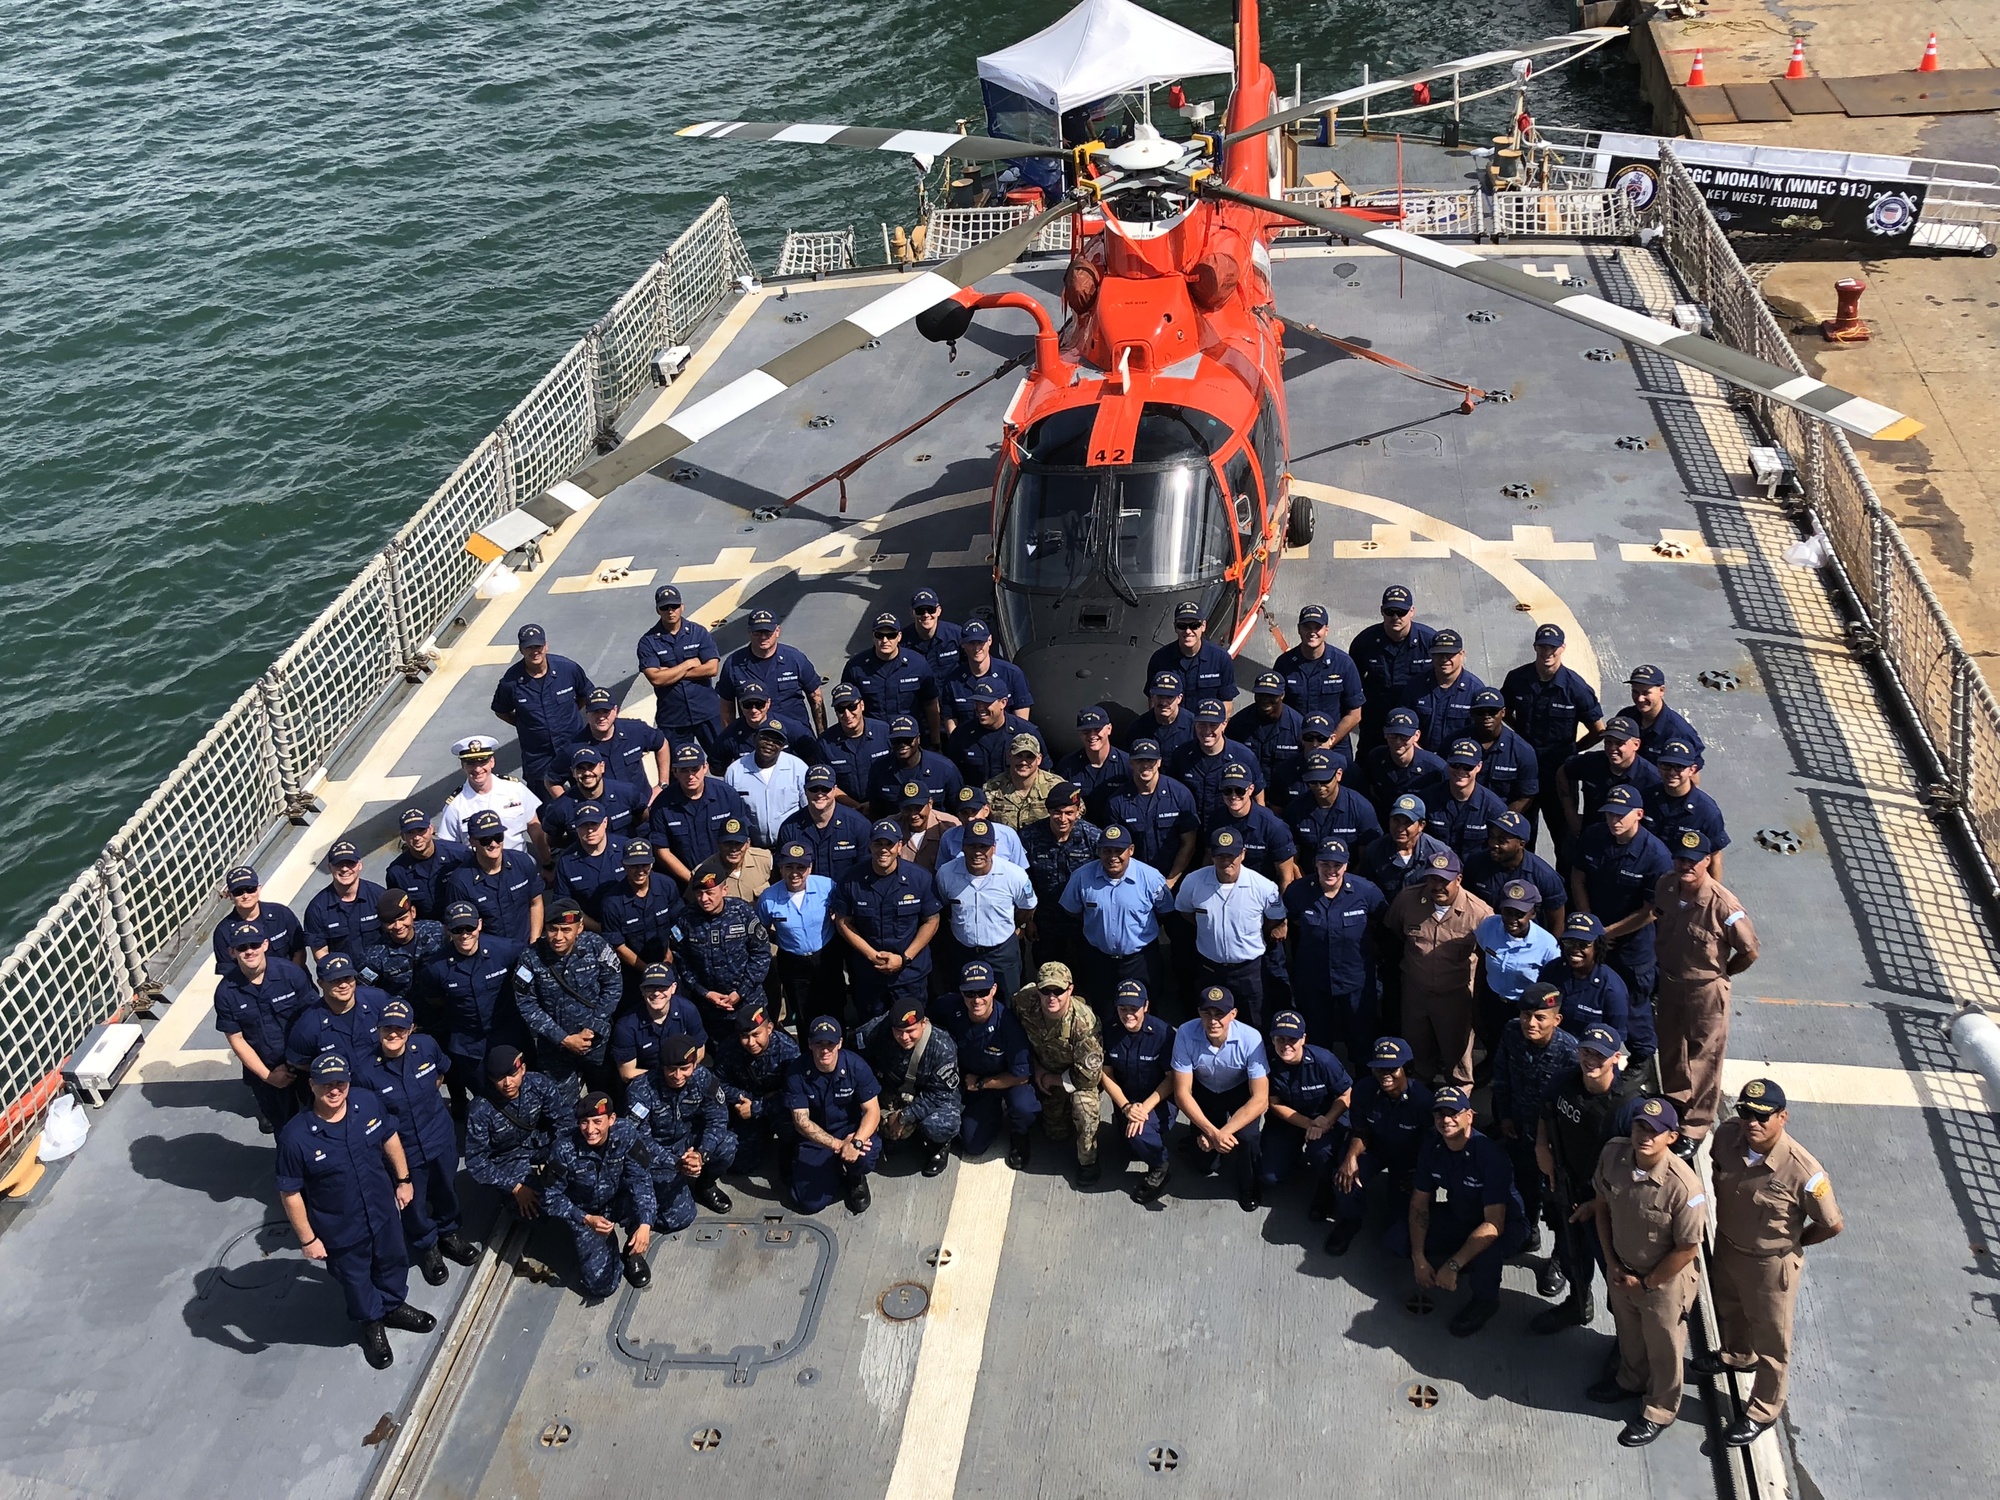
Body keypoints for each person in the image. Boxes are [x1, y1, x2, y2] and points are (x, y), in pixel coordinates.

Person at [1696, 1079, 1845, 1445]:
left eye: (1763, 1116)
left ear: (1783, 1117)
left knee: (1772, 1342)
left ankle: (1763, 1408)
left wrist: (1793, 1245)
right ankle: (1736, 1354)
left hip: (1770, 1265)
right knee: (1728, 1308)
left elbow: (1832, 1224)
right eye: (1746, 1112)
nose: (1752, 1122)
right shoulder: (1727, 1137)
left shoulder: (1804, 1172)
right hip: (1729, 1246)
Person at [276, 1052, 432, 1369]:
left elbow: (389, 1137)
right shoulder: (296, 1137)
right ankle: (371, 1323)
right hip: (340, 1226)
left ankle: (392, 1305)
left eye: (340, 1082)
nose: (334, 1090)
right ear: (312, 1085)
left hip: (382, 1209)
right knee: (356, 1279)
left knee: (392, 1259)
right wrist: (307, 1239)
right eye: (325, 1084)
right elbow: (290, 1192)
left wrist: (403, 1180)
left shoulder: (367, 1104)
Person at [1587, 1098, 1706, 1447]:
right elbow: (1602, 1207)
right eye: (1641, 1127)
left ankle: (1659, 1408)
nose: (1646, 1136)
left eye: (1656, 1132)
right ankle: (1630, 1380)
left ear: (1671, 1138)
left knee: (1664, 1346)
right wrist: (1611, 1262)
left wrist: (1648, 1283)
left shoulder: (1684, 1188)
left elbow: (1687, 1249)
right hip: (1622, 1270)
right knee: (1629, 1333)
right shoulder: (1613, 1155)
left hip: (1663, 1282)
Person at [1644, 829, 1758, 1151]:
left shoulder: (1723, 905)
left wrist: (1722, 974)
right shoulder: (1666, 885)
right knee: (1669, 1044)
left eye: (1693, 861)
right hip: (1669, 981)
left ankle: (1695, 1126)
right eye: (1681, 859)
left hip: (1704, 989)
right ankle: (1677, 1099)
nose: (1686, 867)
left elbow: (1750, 949)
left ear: (1707, 861)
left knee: (1705, 1056)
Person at [355, 1000, 476, 1285]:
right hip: (403, 1151)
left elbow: (441, 1073)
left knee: (447, 1189)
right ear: (378, 1029)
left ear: (411, 1029)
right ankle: (427, 1246)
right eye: (387, 1028)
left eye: (400, 1028)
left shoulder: (426, 1046)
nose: (393, 1034)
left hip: (439, 1137)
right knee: (414, 1204)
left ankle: (449, 1232)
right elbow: (368, 1118)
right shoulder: (365, 1071)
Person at [1391, 1084, 1527, 1337]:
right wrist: (1418, 1258)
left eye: (1454, 1113)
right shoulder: (1432, 1147)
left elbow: (1494, 1224)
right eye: (1440, 1113)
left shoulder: (1490, 1155)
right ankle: (1458, 1258)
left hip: (1502, 1225)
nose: (1446, 1120)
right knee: (1397, 1240)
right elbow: (1420, 1202)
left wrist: (1453, 1265)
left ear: (1469, 1116)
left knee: (1487, 1250)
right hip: (1460, 1215)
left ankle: (1485, 1301)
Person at [1533, 1023, 1641, 1334]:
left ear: (1616, 1059)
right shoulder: (1564, 1080)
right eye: (1586, 1051)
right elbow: (1546, 1112)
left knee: (1614, 1274)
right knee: (1570, 1253)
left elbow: (1637, 1170)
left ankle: (1625, 1343)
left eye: (1600, 1055)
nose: (1590, 1059)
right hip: (1566, 1186)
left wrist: (1598, 1203)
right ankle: (1577, 1303)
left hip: (1607, 1203)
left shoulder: (1628, 1107)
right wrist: (1542, 1146)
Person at [1491, 982, 1580, 1295]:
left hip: (1556, 1146)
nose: (1531, 1023)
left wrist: (1561, 1147)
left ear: (1557, 1020)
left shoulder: (1570, 1053)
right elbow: (1501, 1077)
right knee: (1525, 1190)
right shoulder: (1512, 1033)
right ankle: (1527, 1233)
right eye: (1527, 1015)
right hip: (1519, 1132)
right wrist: (1504, 1117)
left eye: (1540, 1017)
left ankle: (1559, 1260)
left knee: (1560, 1207)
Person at [1383, 849, 1492, 1087]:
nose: (1437, 886)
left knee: (1458, 1063)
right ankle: (1420, 1108)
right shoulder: (1408, 899)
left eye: (1444, 880)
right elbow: (1394, 931)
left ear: (1459, 879)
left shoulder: (1480, 913)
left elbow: (1488, 956)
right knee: (1417, 1057)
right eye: (1432, 878)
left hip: (1455, 997)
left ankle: (1458, 1114)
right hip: (1415, 994)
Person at [1568, 784, 1673, 1021]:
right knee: (1589, 1002)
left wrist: (1606, 934)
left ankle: (1641, 1056)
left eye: (1621, 814)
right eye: (1610, 813)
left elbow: (1651, 911)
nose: (1614, 820)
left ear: (1639, 814)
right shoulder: (1594, 836)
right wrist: (1589, 923)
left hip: (1631, 947)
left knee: (1634, 1010)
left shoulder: (1656, 856)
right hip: (1594, 938)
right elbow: (1578, 875)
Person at [543, 1091, 659, 1299]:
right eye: (584, 1122)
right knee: (602, 1286)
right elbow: (550, 1197)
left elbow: (640, 1179)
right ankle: (603, 1248)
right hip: (585, 1211)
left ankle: (633, 1255)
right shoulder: (563, 1148)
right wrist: (585, 1219)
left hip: (617, 1198)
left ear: (611, 1119)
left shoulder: (625, 1134)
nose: (590, 1129)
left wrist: (645, 1224)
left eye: (597, 1121)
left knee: (647, 1214)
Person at [1324, 1037, 1435, 1256]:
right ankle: (1351, 1220)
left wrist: (1420, 1175)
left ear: (1406, 1069)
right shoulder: (1364, 1090)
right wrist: (1350, 1158)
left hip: (1408, 1161)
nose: (1385, 1075)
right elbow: (1361, 1131)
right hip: (1374, 1148)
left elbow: (1432, 1145)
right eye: (1379, 1068)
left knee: (1399, 1230)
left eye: (1392, 1069)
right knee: (1345, 1178)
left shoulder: (1424, 1101)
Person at [411, 903, 524, 1117]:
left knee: (520, 1092)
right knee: (486, 1101)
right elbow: (435, 1000)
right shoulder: (436, 968)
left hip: (508, 1036)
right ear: (447, 930)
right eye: (457, 930)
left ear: (479, 925)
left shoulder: (506, 950)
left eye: (469, 928)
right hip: (470, 1045)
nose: (464, 935)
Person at [1501, 623, 1605, 850]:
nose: (1548, 653)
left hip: (1559, 775)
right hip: (1525, 770)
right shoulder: (1517, 679)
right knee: (1519, 837)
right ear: (1535, 647)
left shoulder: (1575, 688)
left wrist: (1573, 750)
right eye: (1543, 647)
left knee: (1565, 840)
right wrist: (1519, 733)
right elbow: (1503, 711)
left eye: (1553, 648)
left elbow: (1598, 730)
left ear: (1563, 648)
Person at [1168, 985, 1269, 1211]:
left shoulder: (1251, 1039)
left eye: (1220, 1014)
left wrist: (1223, 1133)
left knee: (1249, 1137)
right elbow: (1182, 1092)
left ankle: (1249, 1185)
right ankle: (1200, 1139)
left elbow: (1260, 1099)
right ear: (1199, 1013)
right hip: (1205, 1091)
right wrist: (1212, 1133)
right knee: (1204, 1165)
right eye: (1207, 1013)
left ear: (1233, 1015)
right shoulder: (1185, 1033)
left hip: (1238, 1092)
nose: (1213, 1021)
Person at [1060, 823, 1172, 1024]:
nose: (1113, 856)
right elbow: (1072, 910)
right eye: (1107, 850)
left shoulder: (1151, 877)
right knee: (1104, 1016)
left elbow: (1165, 912)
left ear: (1131, 850)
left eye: (1119, 851)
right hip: (1099, 960)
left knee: (1145, 1015)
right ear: (1099, 851)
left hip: (1140, 961)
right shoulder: (1082, 877)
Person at [1284, 839, 1386, 1059]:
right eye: (1325, 864)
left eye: (1337, 865)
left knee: (1361, 1038)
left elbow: (1384, 925)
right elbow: (1289, 923)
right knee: (1317, 1040)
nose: (1331, 870)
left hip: (1356, 982)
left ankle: (1363, 1086)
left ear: (1346, 866)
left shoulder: (1366, 892)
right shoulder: (1298, 892)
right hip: (1314, 982)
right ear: (1315, 864)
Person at [1174, 826, 1286, 1026]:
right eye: (1220, 855)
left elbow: (1274, 919)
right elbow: (1186, 912)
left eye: (1231, 855)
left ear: (1243, 854)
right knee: (1213, 1025)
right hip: (1210, 969)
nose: (1226, 861)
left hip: (1249, 971)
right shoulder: (1193, 882)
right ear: (1212, 855)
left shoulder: (1263, 886)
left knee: (1256, 1024)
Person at [832, 821, 942, 1021]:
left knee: (911, 1030)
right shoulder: (851, 879)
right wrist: (872, 956)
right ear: (870, 845)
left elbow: (932, 921)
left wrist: (905, 958)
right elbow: (843, 922)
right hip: (869, 975)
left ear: (899, 846)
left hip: (909, 975)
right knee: (870, 1033)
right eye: (878, 843)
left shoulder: (919, 878)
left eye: (889, 844)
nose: (884, 850)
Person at [213, 922, 315, 1131]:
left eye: (254, 944)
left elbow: (313, 1019)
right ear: (232, 952)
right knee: (284, 1130)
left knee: (322, 1121)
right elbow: (236, 1040)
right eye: (242, 947)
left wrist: (296, 1062)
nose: (249, 951)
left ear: (265, 945)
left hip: (305, 1065)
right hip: (267, 1073)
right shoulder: (225, 992)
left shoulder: (291, 975)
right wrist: (269, 1077)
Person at [627, 1033, 736, 1225]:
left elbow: (717, 1119)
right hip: (659, 1153)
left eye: (684, 1069)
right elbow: (638, 1139)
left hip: (690, 1142)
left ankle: (705, 1185)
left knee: (728, 1144)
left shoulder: (702, 1078)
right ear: (662, 1067)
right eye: (671, 1069)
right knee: (679, 1218)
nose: (677, 1076)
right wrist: (676, 1162)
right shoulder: (641, 1089)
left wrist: (702, 1154)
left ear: (694, 1065)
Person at [1013, 961, 1106, 1184]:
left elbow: (1089, 1077)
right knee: (1056, 1134)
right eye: (1045, 990)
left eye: (1058, 991)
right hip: (1041, 1071)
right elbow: (1014, 1034)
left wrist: (1051, 1079)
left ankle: (1088, 1162)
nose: (1051, 997)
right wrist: (1035, 1068)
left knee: (1085, 1108)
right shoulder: (1024, 1001)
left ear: (1070, 990)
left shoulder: (1084, 1024)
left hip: (1074, 1079)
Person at [514, 899, 622, 1088]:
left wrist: (593, 1027)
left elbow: (613, 985)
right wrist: (564, 1039)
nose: (558, 937)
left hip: (595, 1042)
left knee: (603, 1098)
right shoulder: (531, 957)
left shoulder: (596, 946)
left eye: (566, 930)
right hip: (555, 1049)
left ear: (579, 928)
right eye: (553, 929)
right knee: (561, 1107)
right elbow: (526, 1004)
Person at [785, 1016, 882, 1214]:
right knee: (808, 1203)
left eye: (830, 1043)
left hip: (852, 1132)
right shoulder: (797, 1072)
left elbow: (873, 1111)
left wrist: (856, 1142)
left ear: (839, 1043)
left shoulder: (857, 1066)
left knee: (865, 1154)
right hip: (817, 1137)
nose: (825, 1049)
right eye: (819, 1043)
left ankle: (855, 1179)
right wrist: (838, 1146)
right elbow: (801, 1121)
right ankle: (832, 1170)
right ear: (810, 1044)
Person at [855, 997, 961, 1177]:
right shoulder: (875, 1031)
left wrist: (904, 1117)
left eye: (910, 1031)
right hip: (892, 1091)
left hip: (930, 1095)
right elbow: (857, 1060)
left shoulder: (943, 1047)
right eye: (898, 1031)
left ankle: (938, 1146)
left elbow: (940, 1094)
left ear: (924, 1023)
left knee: (941, 1125)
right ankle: (903, 1136)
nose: (904, 1037)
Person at [1259, 1010, 1352, 1215]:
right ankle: (1291, 1157)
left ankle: (1325, 1189)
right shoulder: (1267, 1061)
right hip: (1290, 1121)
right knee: (1269, 1177)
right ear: (1272, 1039)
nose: (1286, 1045)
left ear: (1303, 1039)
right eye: (1280, 1039)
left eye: (1292, 1039)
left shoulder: (1324, 1060)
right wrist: (1309, 1124)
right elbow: (1273, 1103)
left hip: (1326, 1117)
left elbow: (1346, 1094)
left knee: (1320, 1154)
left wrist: (1326, 1121)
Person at [935, 819, 1036, 1003]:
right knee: (964, 1003)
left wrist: (1016, 924)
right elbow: (945, 905)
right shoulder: (946, 873)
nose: (978, 852)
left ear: (994, 848)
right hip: (962, 951)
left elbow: (1028, 906)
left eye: (984, 846)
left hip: (1002, 953)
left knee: (1010, 1003)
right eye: (972, 846)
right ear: (963, 847)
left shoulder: (1015, 875)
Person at [1538, 912, 1653, 1071]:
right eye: (1570, 943)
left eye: (1583, 944)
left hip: (1588, 1063)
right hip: (1548, 1054)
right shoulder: (1552, 971)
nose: (1575, 950)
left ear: (1597, 947)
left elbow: (1614, 1041)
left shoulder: (1612, 989)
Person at [464, 1045, 567, 1220]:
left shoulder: (538, 1084)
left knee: (580, 1179)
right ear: (491, 1078)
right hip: (508, 1158)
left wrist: (562, 1158)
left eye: (512, 1074)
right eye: (500, 1078)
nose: (508, 1083)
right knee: (537, 1211)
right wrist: (516, 1187)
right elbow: (476, 1162)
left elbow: (564, 1120)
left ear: (523, 1070)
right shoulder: (480, 1110)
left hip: (541, 1141)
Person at [491, 623, 593, 794]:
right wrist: (526, 725)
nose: (535, 651)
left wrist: (573, 711)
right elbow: (501, 710)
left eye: (538, 646)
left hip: (573, 745)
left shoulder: (568, 669)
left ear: (546, 646)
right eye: (529, 647)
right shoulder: (510, 682)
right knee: (547, 811)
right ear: (521, 650)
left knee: (588, 798)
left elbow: (586, 694)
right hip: (539, 757)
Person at [1099, 980, 1176, 1202]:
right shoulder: (1109, 1030)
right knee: (1129, 1146)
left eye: (1134, 1008)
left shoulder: (1163, 1033)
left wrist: (1142, 1109)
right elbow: (1106, 1074)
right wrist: (1125, 1107)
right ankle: (1139, 1133)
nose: (1128, 1014)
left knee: (1138, 1133)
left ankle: (1160, 1165)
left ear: (1146, 1007)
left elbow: (1171, 1080)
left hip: (1158, 1101)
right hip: (1127, 1100)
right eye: (1123, 1008)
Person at [757, 842, 843, 1033]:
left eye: (801, 867)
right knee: (803, 1015)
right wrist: (780, 939)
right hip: (793, 963)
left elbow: (842, 916)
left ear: (810, 867)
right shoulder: (768, 898)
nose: (795, 873)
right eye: (789, 867)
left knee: (835, 1008)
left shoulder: (827, 887)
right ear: (780, 867)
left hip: (827, 956)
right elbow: (760, 931)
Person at [713, 1001, 803, 1181]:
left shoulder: (788, 1050)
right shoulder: (729, 1048)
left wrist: (757, 1106)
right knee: (742, 1164)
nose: (751, 1042)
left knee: (793, 1123)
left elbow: (796, 1093)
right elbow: (718, 1083)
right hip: (743, 1106)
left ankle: (788, 1149)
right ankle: (761, 1136)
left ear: (769, 1028)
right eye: (744, 1036)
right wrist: (743, 1098)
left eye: (756, 1034)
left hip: (777, 1107)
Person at [638, 583, 724, 766]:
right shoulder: (648, 642)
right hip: (673, 718)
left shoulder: (698, 633)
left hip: (706, 712)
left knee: (723, 762)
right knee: (678, 770)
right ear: (657, 610)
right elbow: (656, 678)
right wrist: (688, 664)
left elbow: (711, 668)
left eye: (674, 606)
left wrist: (669, 672)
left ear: (682, 607)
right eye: (665, 607)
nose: (671, 611)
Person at [678, 869, 772, 1032]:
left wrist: (740, 992)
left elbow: (761, 953)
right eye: (699, 893)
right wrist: (705, 993)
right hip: (709, 1008)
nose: (704, 899)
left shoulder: (742, 912)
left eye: (709, 893)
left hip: (749, 1002)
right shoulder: (686, 918)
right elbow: (682, 961)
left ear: (724, 890)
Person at [1020, 782, 1101, 971]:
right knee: (1048, 976)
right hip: (1045, 922)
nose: (1063, 818)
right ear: (1048, 811)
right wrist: (1028, 920)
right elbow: (1023, 880)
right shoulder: (1029, 837)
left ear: (1077, 812)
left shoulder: (1092, 837)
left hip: (1082, 921)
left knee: (1084, 974)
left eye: (1069, 813)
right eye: (1057, 812)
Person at [646, 742, 752, 884]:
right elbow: (662, 851)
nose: (690, 776)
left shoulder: (727, 796)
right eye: (684, 770)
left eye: (695, 769)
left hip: (727, 879)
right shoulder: (662, 805)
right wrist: (695, 881)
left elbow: (741, 840)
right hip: (685, 882)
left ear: (705, 768)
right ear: (674, 771)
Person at [1475, 881, 1562, 1052]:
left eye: (1520, 914)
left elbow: (1552, 988)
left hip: (1525, 1008)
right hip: (1492, 999)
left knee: (1522, 1050)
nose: (1512, 920)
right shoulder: (1488, 926)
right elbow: (1480, 961)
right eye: (1507, 912)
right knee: (1493, 1041)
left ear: (1533, 913)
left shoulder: (1547, 946)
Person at [1348, 584, 1438, 749]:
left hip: (1417, 724)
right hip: (1376, 724)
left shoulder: (1430, 642)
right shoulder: (1365, 643)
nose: (1395, 617)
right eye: (1390, 612)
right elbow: (1352, 686)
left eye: (1401, 612)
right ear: (1382, 611)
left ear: (1412, 611)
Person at [1102, 738, 1200, 884]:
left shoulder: (1180, 795)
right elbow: (1115, 848)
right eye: (1140, 760)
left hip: (1174, 880)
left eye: (1151, 760)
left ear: (1159, 762)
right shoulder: (1117, 802)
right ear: (1131, 763)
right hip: (1133, 882)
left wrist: (1170, 881)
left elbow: (1189, 843)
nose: (1146, 765)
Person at [719, 607, 823, 739]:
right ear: (749, 632)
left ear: (777, 631)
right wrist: (731, 741)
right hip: (756, 739)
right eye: (757, 632)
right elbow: (726, 709)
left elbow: (816, 697)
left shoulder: (795, 659)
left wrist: (822, 736)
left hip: (795, 738)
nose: (762, 637)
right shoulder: (733, 664)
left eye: (767, 632)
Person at [443, 808, 545, 944]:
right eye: (485, 840)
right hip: (489, 956)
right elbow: (458, 927)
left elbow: (536, 903)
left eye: (498, 837)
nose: (493, 844)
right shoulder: (460, 882)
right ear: (473, 841)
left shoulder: (522, 862)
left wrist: (534, 941)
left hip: (525, 947)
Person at [437, 735, 547, 860]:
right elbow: (448, 847)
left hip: (520, 868)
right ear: (463, 766)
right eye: (471, 763)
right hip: (480, 874)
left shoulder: (515, 789)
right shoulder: (455, 805)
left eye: (482, 761)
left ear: (492, 762)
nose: (477, 769)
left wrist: (547, 863)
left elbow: (534, 825)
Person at [597, 841, 684, 997]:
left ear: (652, 864)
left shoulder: (667, 886)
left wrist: (670, 949)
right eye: (634, 865)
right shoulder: (612, 902)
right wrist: (648, 970)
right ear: (624, 865)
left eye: (644, 865)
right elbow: (618, 946)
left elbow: (678, 922)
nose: (640, 871)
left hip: (668, 963)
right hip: (633, 972)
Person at [1556, 715, 1662, 841]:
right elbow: (1563, 771)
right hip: (1590, 840)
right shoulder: (1591, 762)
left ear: (1636, 744)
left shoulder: (1652, 780)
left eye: (1619, 743)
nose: (1612, 748)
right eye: (1608, 742)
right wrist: (1571, 814)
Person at [843, 611, 941, 745]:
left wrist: (936, 742)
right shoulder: (855, 667)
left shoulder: (918, 664)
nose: (885, 640)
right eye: (880, 635)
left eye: (891, 635)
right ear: (873, 636)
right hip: (873, 742)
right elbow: (845, 708)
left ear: (899, 636)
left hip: (909, 740)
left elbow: (931, 704)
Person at [284, 953, 391, 1074]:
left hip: (386, 1078)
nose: (343, 985)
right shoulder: (307, 1027)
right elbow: (299, 1061)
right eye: (335, 980)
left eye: (347, 978)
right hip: (346, 1089)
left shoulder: (378, 1000)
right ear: (320, 983)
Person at [1275, 603, 1364, 745]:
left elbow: (1354, 714)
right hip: (1296, 742)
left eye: (1317, 627)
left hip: (1334, 743)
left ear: (1326, 630)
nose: (1312, 632)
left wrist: (1329, 742)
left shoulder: (1343, 664)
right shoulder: (1284, 664)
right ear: (1299, 629)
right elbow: (1276, 707)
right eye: (1307, 627)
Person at [1642, 740, 1729, 882]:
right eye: (1666, 765)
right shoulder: (1646, 797)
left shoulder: (1707, 811)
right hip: (1647, 875)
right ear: (1658, 766)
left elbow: (1715, 858)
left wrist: (1712, 895)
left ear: (1692, 770)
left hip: (1682, 881)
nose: (1672, 772)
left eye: (1679, 767)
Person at [1169, 701, 1265, 828]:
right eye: (1202, 724)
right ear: (1195, 725)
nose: (1207, 731)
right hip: (1191, 829)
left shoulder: (1244, 756)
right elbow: (1172, 795)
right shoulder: (1181, 755)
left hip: (1228, 832)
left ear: (1224, 724)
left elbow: (1259, 799)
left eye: (1213, 725)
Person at [1462, 810, 1564, 930]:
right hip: (1485, 935)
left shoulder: (1545, 876)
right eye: (1492, 837)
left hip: (1525, 941)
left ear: (1521, 844)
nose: (1493, 844)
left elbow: (1556, 922)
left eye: (1501, 841)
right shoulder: (1475, 863)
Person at [608, 963, 705, 1085]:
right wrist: (668, 1076)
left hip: (684, 1076)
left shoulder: (688, 1011)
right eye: (650, 987)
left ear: (673, 988)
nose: (656, 993)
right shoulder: (626, 1026)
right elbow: (627, 1073)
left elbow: (700, 1052)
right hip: (647, 1083)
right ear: (642, 990)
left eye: (662, 987)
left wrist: (681, 1073)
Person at [779, 765, 873, 883]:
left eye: (825, 788)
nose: (819, 794)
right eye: (814, 789)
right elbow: (783, 873)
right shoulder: (789, 828)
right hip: (805, 898)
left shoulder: (858, 825)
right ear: (805, 790)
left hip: (846, 897)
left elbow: (866, 872)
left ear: (834, 790)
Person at [725, 718, 811, 844]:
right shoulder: (735, 771)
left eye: (777, 741)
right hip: (752, 848)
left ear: (783, 746)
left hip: (791, 847)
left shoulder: (798, 768)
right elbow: (731, 814)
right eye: (765, 738)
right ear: (754, 738)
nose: (770, 744)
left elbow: (808, 809)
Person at [945, 679, 1045, 788]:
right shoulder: (962, 734)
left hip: (1014, 800)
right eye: (977, 702)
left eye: (986, 703)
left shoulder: (1026, 731)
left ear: (1003, 703)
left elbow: (1043, 772)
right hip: (977, 800)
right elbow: (952, 775)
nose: (980, 708)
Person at [1358, 708, 1448, 828]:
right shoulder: (1375, 758)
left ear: (1416, 736)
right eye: (1393, 735)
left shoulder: (1436, 769)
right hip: (1382, 825)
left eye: (1404, 736)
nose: (1398, 741)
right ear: (1385, 732)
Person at [541, 746, 647, 846]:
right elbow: (553, 840)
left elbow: (643, 816)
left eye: (591, 766)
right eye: (580, 768)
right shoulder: (561, 808)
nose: (587, 773)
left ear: (602, 767)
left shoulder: (627, 793)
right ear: (573, 772)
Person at [209, 863, 307, 973]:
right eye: (238, 892)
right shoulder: (223, 932)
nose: (245, 896)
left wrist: (289, 981)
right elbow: (229, 972)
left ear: (258, 889)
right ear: (230, 896)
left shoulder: (281, 914)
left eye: (250, 889)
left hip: (292, 982)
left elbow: (299, 951)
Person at [578, 685, 671, 797]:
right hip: (607, 811)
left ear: (615, 710)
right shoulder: (577, 746)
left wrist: (662, 784)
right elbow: (553, 779)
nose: (601, 717)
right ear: (587, 713)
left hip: (643, 805)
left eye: (605, 711)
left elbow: (661, 744)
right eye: (596, 712)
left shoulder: (635, 730)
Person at [1285, 749, 1381, 859]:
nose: (1319, 787)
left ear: (1339, 775)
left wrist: (1347, 877)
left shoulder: (1362, 809)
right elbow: (1291, 858)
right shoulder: (1295, 809)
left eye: (1325, 780)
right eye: (1313, 781)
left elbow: (1366, 859)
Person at [1356, 793, 1452, 898]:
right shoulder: (1374, 851)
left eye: (1407, 823)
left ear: (1421, 825)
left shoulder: (1439, 852)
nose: (1400, 829)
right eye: (1396, 821)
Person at [940, 618, 1032, 729]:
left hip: (1006, 742)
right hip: (969, 743)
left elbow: (1021, 723)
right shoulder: (953, 681)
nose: (977, 648)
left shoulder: (1012, 674)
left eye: (980, 642)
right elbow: (951, 721)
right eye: (971, 643)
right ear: (962, 644)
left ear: (989, 641)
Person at [1229, 673, 1304, 808]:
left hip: (1285, 801)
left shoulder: (1298, 726)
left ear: (1282, 695)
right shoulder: (1238, 724)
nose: (1265, 699)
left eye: (1271, 695)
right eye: (1261, 694)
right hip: (1247, 800)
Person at [1429, 740, 1511, 862]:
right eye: (1455, 765)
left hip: (1474, 874)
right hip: (1437, 871)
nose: (1461, 771)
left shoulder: (1494, 808)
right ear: (1447, 764)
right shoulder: (1428, 799)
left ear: (1479, 766)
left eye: (1468, 767)